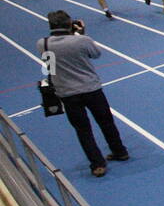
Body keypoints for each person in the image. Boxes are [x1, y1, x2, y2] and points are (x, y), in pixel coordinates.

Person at [37, 10, 129, 178]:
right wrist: (80, 34)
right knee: (106, 122)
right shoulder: (82, 40)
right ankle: (119, 151)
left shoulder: (42, 44)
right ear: (69, 24)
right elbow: (96, 54)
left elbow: (49, 65)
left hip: (67, 93)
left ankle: (97, 164)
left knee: (83, 130)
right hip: (91, 89)